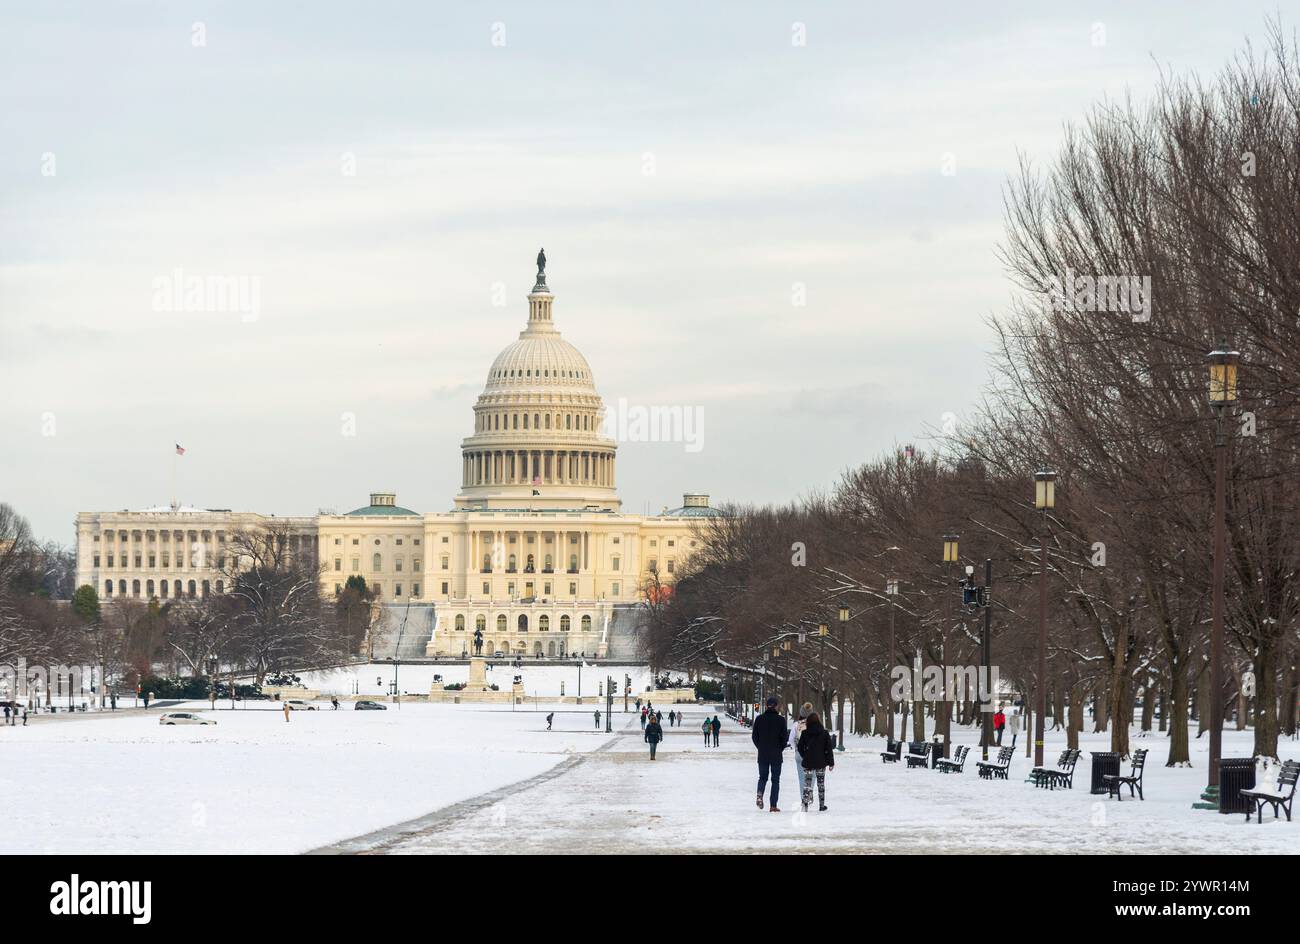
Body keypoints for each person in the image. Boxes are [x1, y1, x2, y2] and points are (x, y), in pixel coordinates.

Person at [751, 696, 788, 812]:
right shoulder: (781, 720)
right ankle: (773, 805)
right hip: (776, 754)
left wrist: (760, 747)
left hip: (762, 754)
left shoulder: (759, 719)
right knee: (775, 780)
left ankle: (760, 793)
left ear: (766, 706)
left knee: (762, 777)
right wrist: (779, 749)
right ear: (776, 706)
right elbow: (784, 738)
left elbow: (754, 737)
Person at [796, 712, 835, 812]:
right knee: (821, 784)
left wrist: (805, 755)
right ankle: (821, 805)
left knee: (807, 783)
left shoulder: (805, 733)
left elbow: (800, 747)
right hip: (821, 762)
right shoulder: (824, 733)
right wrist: (831, 763)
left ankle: (805, 804)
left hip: (808, 762)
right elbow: (828, 749)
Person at [788, 704, 809, 786]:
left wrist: (796, 748)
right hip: (811, 753)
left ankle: (803, 797)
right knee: (812, 777)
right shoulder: (814, 724)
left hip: (799, 753)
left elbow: (791, 739)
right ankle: (809, 794)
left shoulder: (796, 724)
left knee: (801, 778)